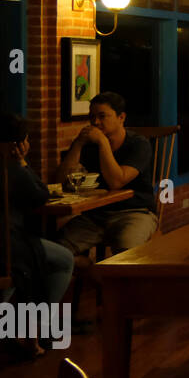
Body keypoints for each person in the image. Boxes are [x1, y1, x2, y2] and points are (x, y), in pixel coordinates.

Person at [0, 113, 75, 358]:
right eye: (26, 140)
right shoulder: (11, 168)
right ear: (18, 145)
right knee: (63, 259)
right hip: (4, 246)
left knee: (15, 263)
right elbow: (40, 195)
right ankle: (40, 327)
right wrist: (23, 164)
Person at [55, 92, 158, 264]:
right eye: (92, 117)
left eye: (102, 116)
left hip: (135, 213)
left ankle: (119, 287)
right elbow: (58, 181)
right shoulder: (88, 143)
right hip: (95, 215)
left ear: (121, 117)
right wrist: (78, 145)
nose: (95, 122)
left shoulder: (139, 144)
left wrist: (103, 142)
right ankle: (91, 270)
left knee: (127, 256)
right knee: (54, 250)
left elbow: (116, 182)